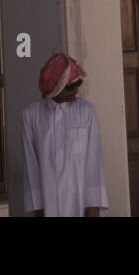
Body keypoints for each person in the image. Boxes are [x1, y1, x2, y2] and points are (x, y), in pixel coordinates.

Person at [22, 52, 109, 217]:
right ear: (56, 86)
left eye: (78, 83)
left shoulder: (87, 112)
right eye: (70, 86)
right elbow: (30, 165)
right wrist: (38, 207)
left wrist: (94, 205)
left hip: (82, 203)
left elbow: (94, 162)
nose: (76, 90)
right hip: (49, 204)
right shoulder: (31, 115)